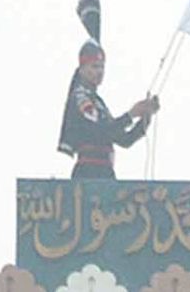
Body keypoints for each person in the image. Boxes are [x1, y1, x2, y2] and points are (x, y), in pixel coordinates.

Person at [56, 22, 159, 180]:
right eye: (94, 67)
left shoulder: (99, 104)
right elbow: (100, 132)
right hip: (88, 172)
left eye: (102, 67)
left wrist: (145, 116)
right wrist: (130, 114)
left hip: (105, 173)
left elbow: (124, 139)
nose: (99, 72)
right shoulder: (80, 97)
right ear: (82, 69)